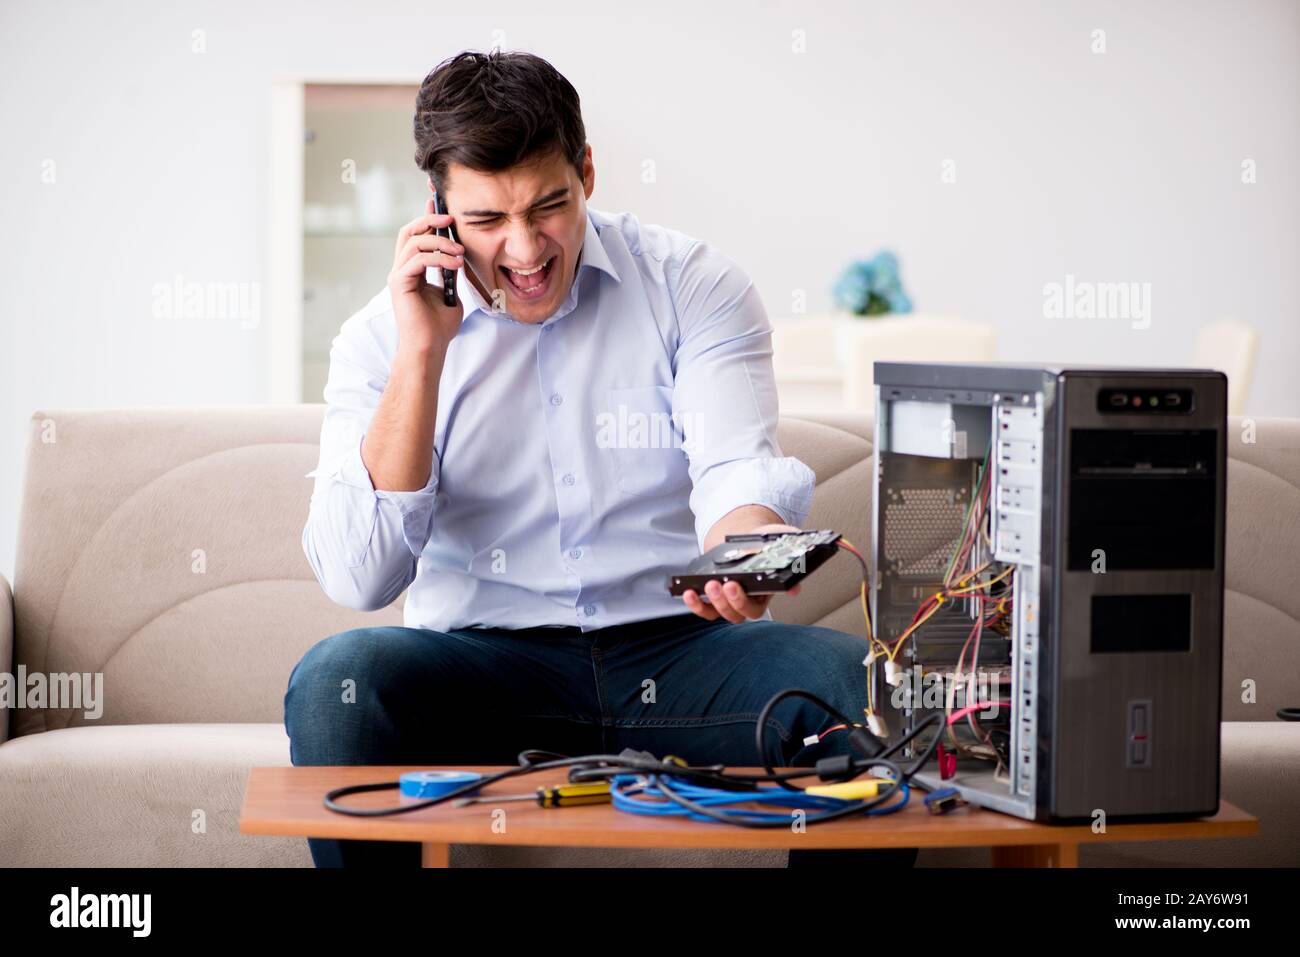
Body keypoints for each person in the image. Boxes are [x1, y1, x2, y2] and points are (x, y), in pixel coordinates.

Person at [284, 49, 917, 870]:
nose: (524, 250)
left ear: (586, 169)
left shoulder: (693, 284)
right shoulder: (381, 339)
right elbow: (358, 578)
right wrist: (422, 357)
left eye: (549, 205)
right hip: (486, 664)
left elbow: (733, 469)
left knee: (861, 687)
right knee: (340, 680)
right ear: (436, 209)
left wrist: (744, 554)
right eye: (486, 221)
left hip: (682, 653)